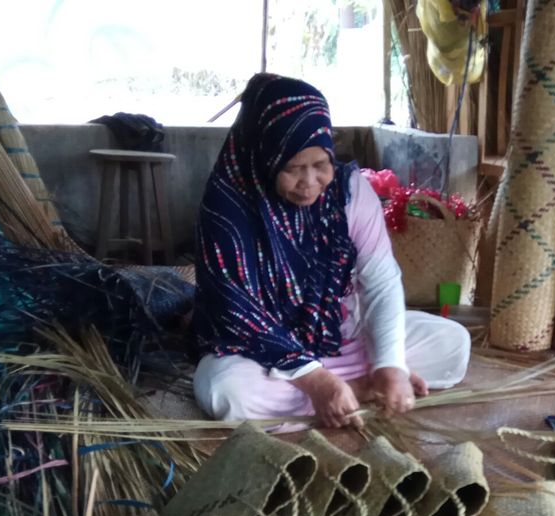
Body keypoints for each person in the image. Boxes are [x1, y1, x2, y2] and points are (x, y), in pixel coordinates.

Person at [192, 74, 471, 428]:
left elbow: (381, 280)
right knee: (224, 391)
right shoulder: (228, 206)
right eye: (292, 168)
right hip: (263, 354)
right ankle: (351, 390)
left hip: (339, 339)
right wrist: (318, 382)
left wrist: (389, 363)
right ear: (265, 156)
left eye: (320, 164)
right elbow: (235, 311)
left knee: (453, 342)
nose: (309, 183)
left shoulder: (349, 192)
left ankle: (358, 386)